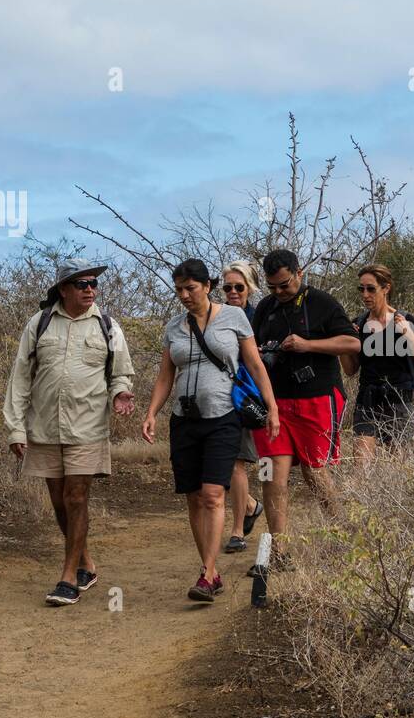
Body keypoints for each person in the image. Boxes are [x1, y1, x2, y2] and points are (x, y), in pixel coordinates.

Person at [141, 259, 278, 603]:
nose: (185, 296)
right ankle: (211, 572)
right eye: (179, 290)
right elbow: (165, 376)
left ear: (207, 286)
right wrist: (151, 412)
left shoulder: (233, 318)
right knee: (193, 497)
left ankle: (206, 572)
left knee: (214, 493)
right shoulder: (174, 326)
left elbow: (255, 365)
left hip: (223, 417)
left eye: (191, 288)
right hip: (184, 419)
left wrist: (272, 407)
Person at [3, 258, 136, 607]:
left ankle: (67, 578)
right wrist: (15, 427)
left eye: (94, 284)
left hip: (87, 425)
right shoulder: (40, 323)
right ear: (64, 290)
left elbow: (121, 372)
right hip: (44, 427)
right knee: (61, 501)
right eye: (82, 284)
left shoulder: (108, 326)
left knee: (77, 497)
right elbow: (20, 377)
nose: (90, 290)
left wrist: (121, 392)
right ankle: (86, 564)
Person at [250, 249, 360, 569]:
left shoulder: (322, 303)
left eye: (284, 285)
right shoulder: (266, 309)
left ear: (299, 273)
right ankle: (280, 552)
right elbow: (253, 349)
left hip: (317, 397)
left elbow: (352, 344)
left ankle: (343, 533)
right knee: (273, 475)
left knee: (315, 471)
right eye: (272, 287)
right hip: (276, 402)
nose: (279, 293)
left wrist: (307, 345)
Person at [340, 263, 414, 463]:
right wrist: (344, 342)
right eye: (361, 289)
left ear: (386, 288)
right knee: (361, 468)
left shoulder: (406, 320)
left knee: (398, 468)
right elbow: (350, 370)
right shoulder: (359, 323)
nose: (365, 294)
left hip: (399, 399)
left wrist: (406, 333)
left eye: (371, 289)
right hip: (368, 399)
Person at [219, 260, 264, 553]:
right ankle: (249, 505)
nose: (233, 291)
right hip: (218, 397)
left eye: (239, 286)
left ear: (250, 287)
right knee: (219, 464)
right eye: (228, 287)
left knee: (236, 463)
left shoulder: (259, 317)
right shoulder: (217, 316)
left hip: (246, 398)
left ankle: (237, 532)